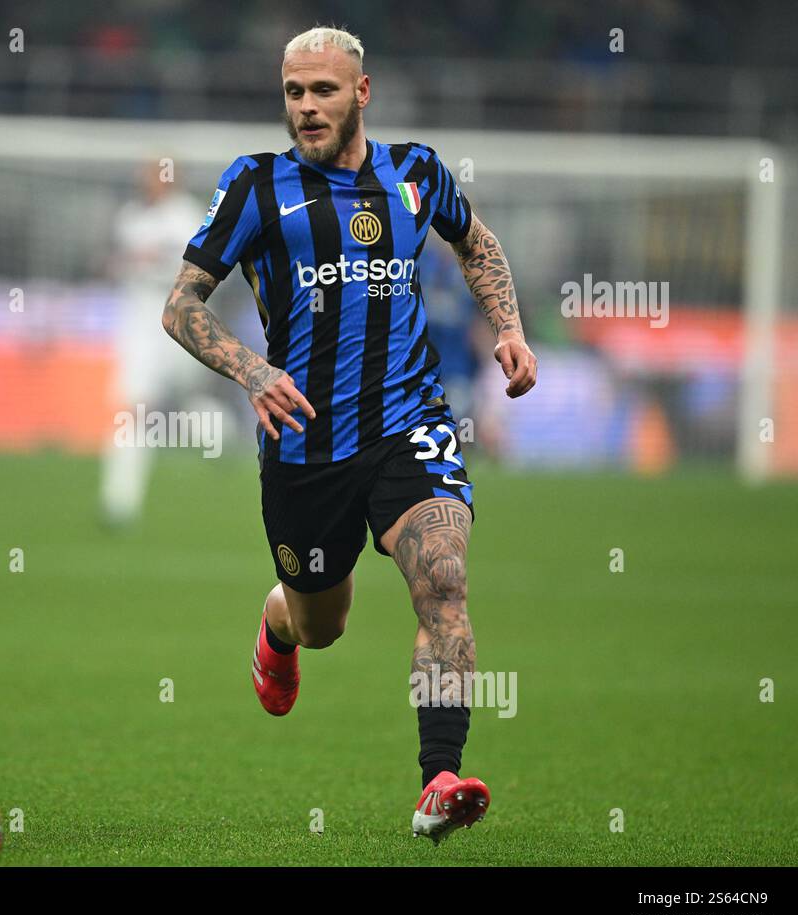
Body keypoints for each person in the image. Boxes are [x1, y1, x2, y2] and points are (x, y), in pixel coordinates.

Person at [160, 25, 537, 844]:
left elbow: (474, 240)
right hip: (305, 447)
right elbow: (181, 304)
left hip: (410, 422)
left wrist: (507, 325)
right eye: (293, 92)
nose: (305, 108)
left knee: (443, 578)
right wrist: (253, 372)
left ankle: (439, 779)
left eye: (322, 91)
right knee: (321, 624)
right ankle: (278, 626)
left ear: (361, 93)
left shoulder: (417, 174)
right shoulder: (256, 186)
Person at [100, 160, 216, 526]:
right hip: (138, 327)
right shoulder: (130, 216)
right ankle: (119, 500)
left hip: (178, 323)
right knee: (134, 410)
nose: (145, 183)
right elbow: (121, 267)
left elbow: (198, 272)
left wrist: (154, 263)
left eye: (151, 176)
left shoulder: (186, 217)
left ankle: (222, 434)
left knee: (184, 406)